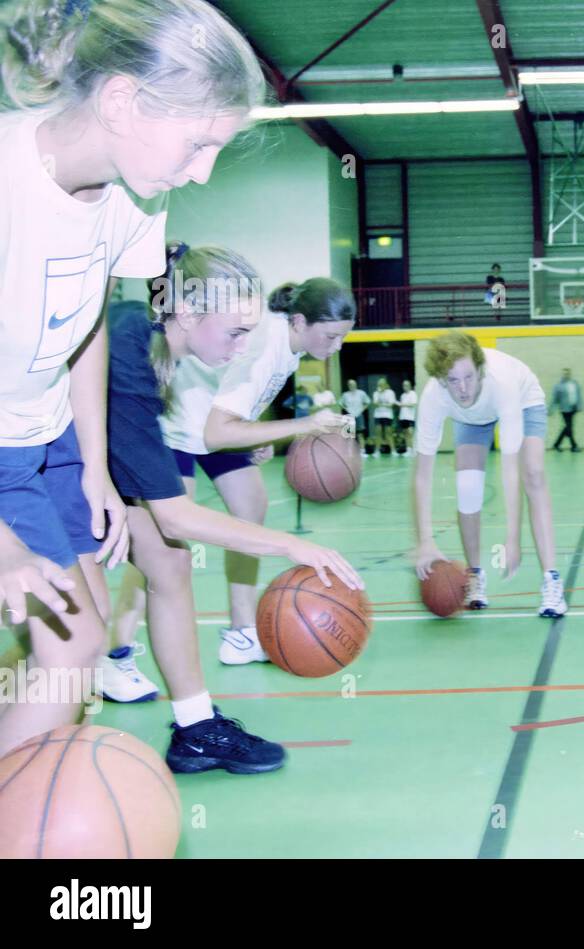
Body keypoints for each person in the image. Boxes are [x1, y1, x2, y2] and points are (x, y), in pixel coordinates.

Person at [0, 0, 264, 756]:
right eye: (199, 143)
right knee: (70, 649)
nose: (203, 171)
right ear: (121, 100)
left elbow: (84, 322)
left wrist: (93, 465)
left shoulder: (138, 195)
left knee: (76, 650)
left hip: (48, 437)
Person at [103, 249, 361, 773]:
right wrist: (293, 545)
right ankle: (113, 655)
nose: (245, 345)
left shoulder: (158, 350)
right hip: (51, 465)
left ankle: (196, 726)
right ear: (189, 313)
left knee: (170, 560)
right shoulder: (130, 348)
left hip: (101, 456)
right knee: (73, 637)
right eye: (237, 333)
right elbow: (178, 511)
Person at [412, 332, 565, 617]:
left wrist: (512, 538)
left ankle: (551, 579)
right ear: (441, 379)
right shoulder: (433, 397)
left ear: (480, 369)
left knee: (533, 473)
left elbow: (509, 468)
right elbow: (422, 475)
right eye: (453, 380)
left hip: (523, 401)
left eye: (469, 377)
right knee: (467, 487)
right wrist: (425, 541)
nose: (463, 388)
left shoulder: (502, 383)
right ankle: (475, 575)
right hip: (469, 419)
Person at [550, 368, 584, 452]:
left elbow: (578, 395)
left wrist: (580, 406)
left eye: (567, 373)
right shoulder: (558, 386)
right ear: (563, 375)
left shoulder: (574, 384)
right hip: (564, 410)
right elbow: (555, 399)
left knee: (568, 427)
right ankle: (574, 446)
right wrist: (551, 409)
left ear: (570, 374)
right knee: (569, 427)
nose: (566, 375)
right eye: (564, 374)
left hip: (573, 408)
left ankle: (557, 444)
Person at [341, 378, 371, 452]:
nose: (352, 385)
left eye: (354, 384)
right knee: (349, 435)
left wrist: (362, 409)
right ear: (348, 385)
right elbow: (340, 403)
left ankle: (362, 451)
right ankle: (349, 451)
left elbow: (368, 402)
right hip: (349, 416)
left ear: (356, 385)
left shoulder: (361, 393)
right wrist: (346, 409)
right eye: (350, 384)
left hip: (359, 415)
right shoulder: (345, 394)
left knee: (360, 434)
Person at [371, 377, 397, 455]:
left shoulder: (390, 392)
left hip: (387, 415)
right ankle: (377, 451)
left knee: (388, 433)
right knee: (378, 433)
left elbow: (391, 404)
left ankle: (393, 451)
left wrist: (381, 404)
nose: (380, 386)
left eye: (382, 384)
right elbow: (375, 404)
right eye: (379, 384)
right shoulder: (376, 393)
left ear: (386, 385)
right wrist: (380, 394)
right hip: (378, 415)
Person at [398, 379, 418, 457]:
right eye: (404, 385)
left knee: (410, 433)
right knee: (406, 434)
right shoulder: (402, 395)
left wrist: (402, 405)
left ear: (410, 386)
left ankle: (414, 450)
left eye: (406, 385)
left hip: (410, 417)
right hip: (403, 417)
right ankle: (408, 450)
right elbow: (401, 406)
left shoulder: (413, 394)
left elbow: (413, 404)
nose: (405, 387)